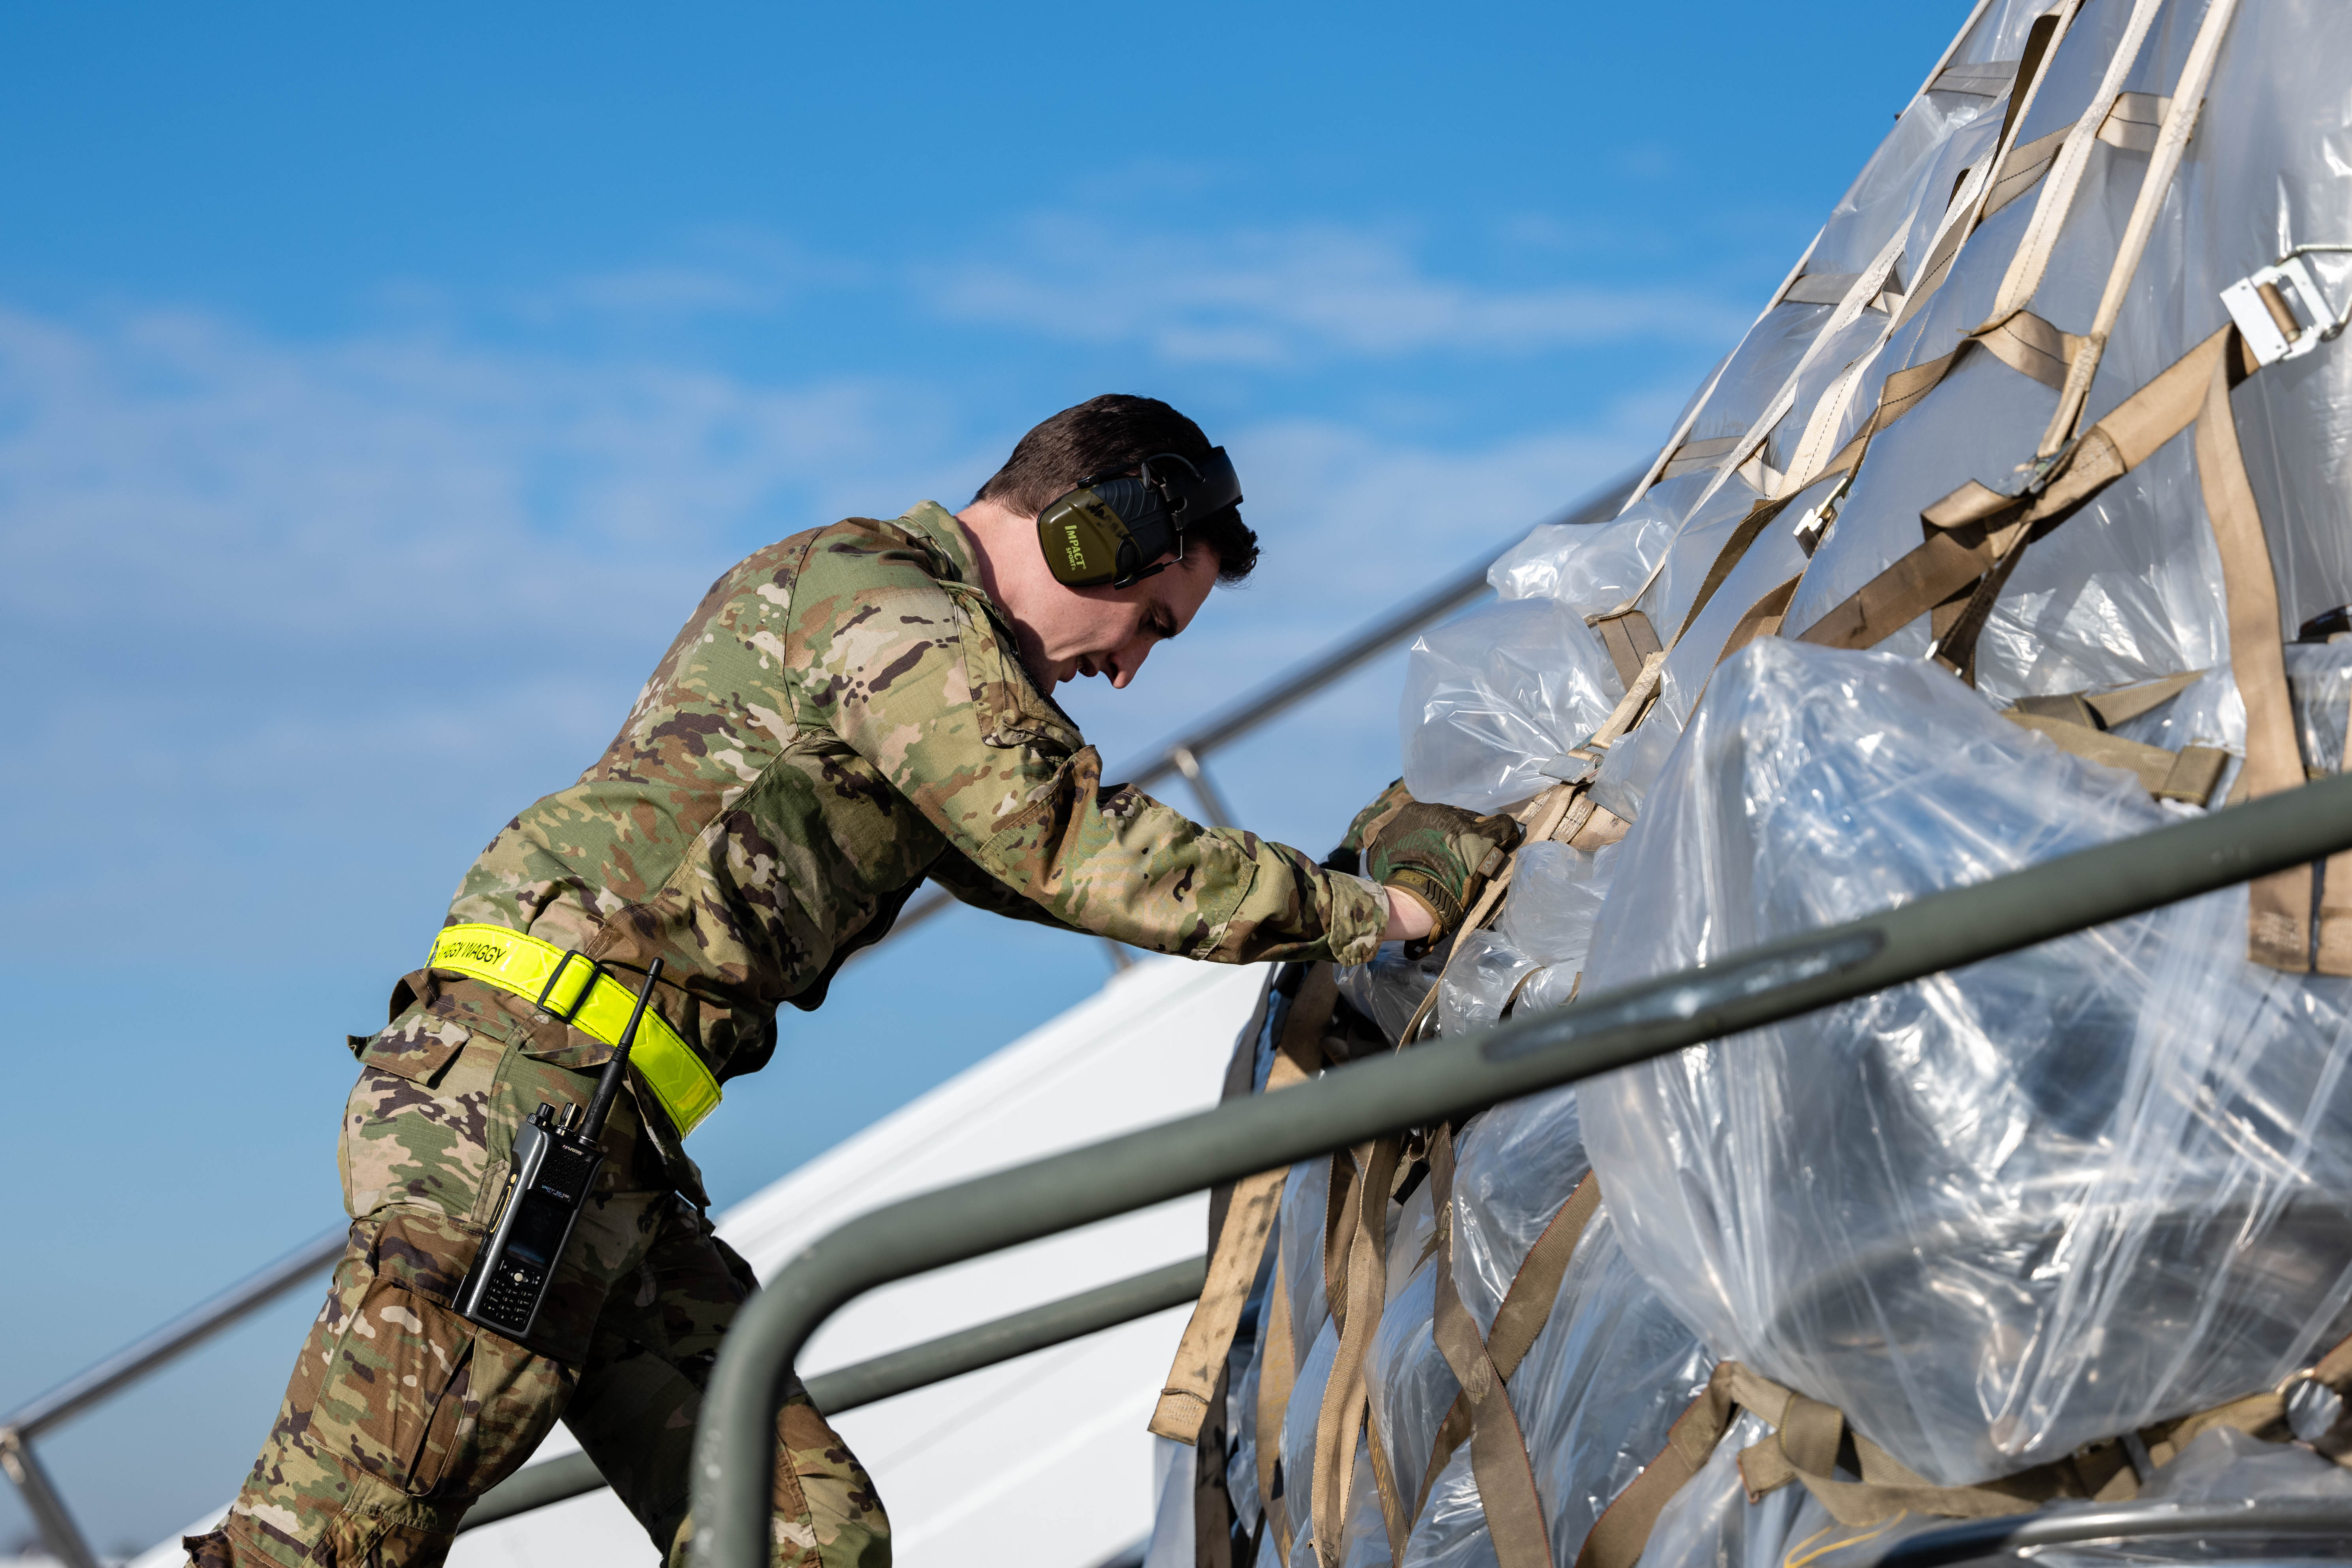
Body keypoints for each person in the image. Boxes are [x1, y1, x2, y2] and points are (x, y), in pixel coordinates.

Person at [188, 394, 1519, 1568]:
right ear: (1092, 531)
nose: (1128, 667)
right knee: (336, 1537)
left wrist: (1342, 883)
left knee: (804, 1538)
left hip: (604, 1147)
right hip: (514, 1111)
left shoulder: (926, 671)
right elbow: (1069, 847)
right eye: (1148, 619)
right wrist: (1375, 907)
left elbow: (1044, 854)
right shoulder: (890, 607)